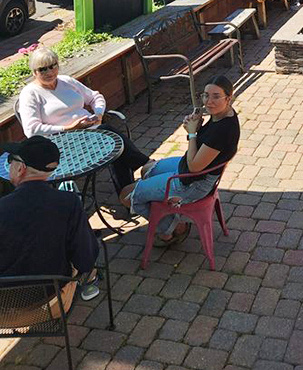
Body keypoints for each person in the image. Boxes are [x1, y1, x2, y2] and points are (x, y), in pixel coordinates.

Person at [120, 74, 240, 246]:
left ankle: (171, 228)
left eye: (216, 96)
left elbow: (194, 166)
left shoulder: (223, 130)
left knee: (126, 196)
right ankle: (167, 208)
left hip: (194, 183)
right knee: (146, 170)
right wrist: (197, 127)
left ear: (228, 98)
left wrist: (192, 133)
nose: (209, 101)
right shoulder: (224, 113)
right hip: (192, 169)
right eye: (206, 95)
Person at [18, 47, 148, 193]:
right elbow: (32, 130)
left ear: (57, 65)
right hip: (61, 143)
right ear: (34, 72)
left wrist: (98, 114)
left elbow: (95, 97)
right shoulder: (30, 94)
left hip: (89, 132)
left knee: (116, 146)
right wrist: (68, 128)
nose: (49, 72)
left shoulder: (66, 81)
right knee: (112, 139)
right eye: (42, 69)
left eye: (52, 66)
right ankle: (146, 167)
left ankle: (129, 193)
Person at [0, 136, 99, 309]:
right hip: (51, 299)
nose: (8, 165)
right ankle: (90, 284)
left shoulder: (3, 207)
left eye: (10, 161)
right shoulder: (69, 203)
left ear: (21, 168)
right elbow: (86, 258)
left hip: (5, 307)